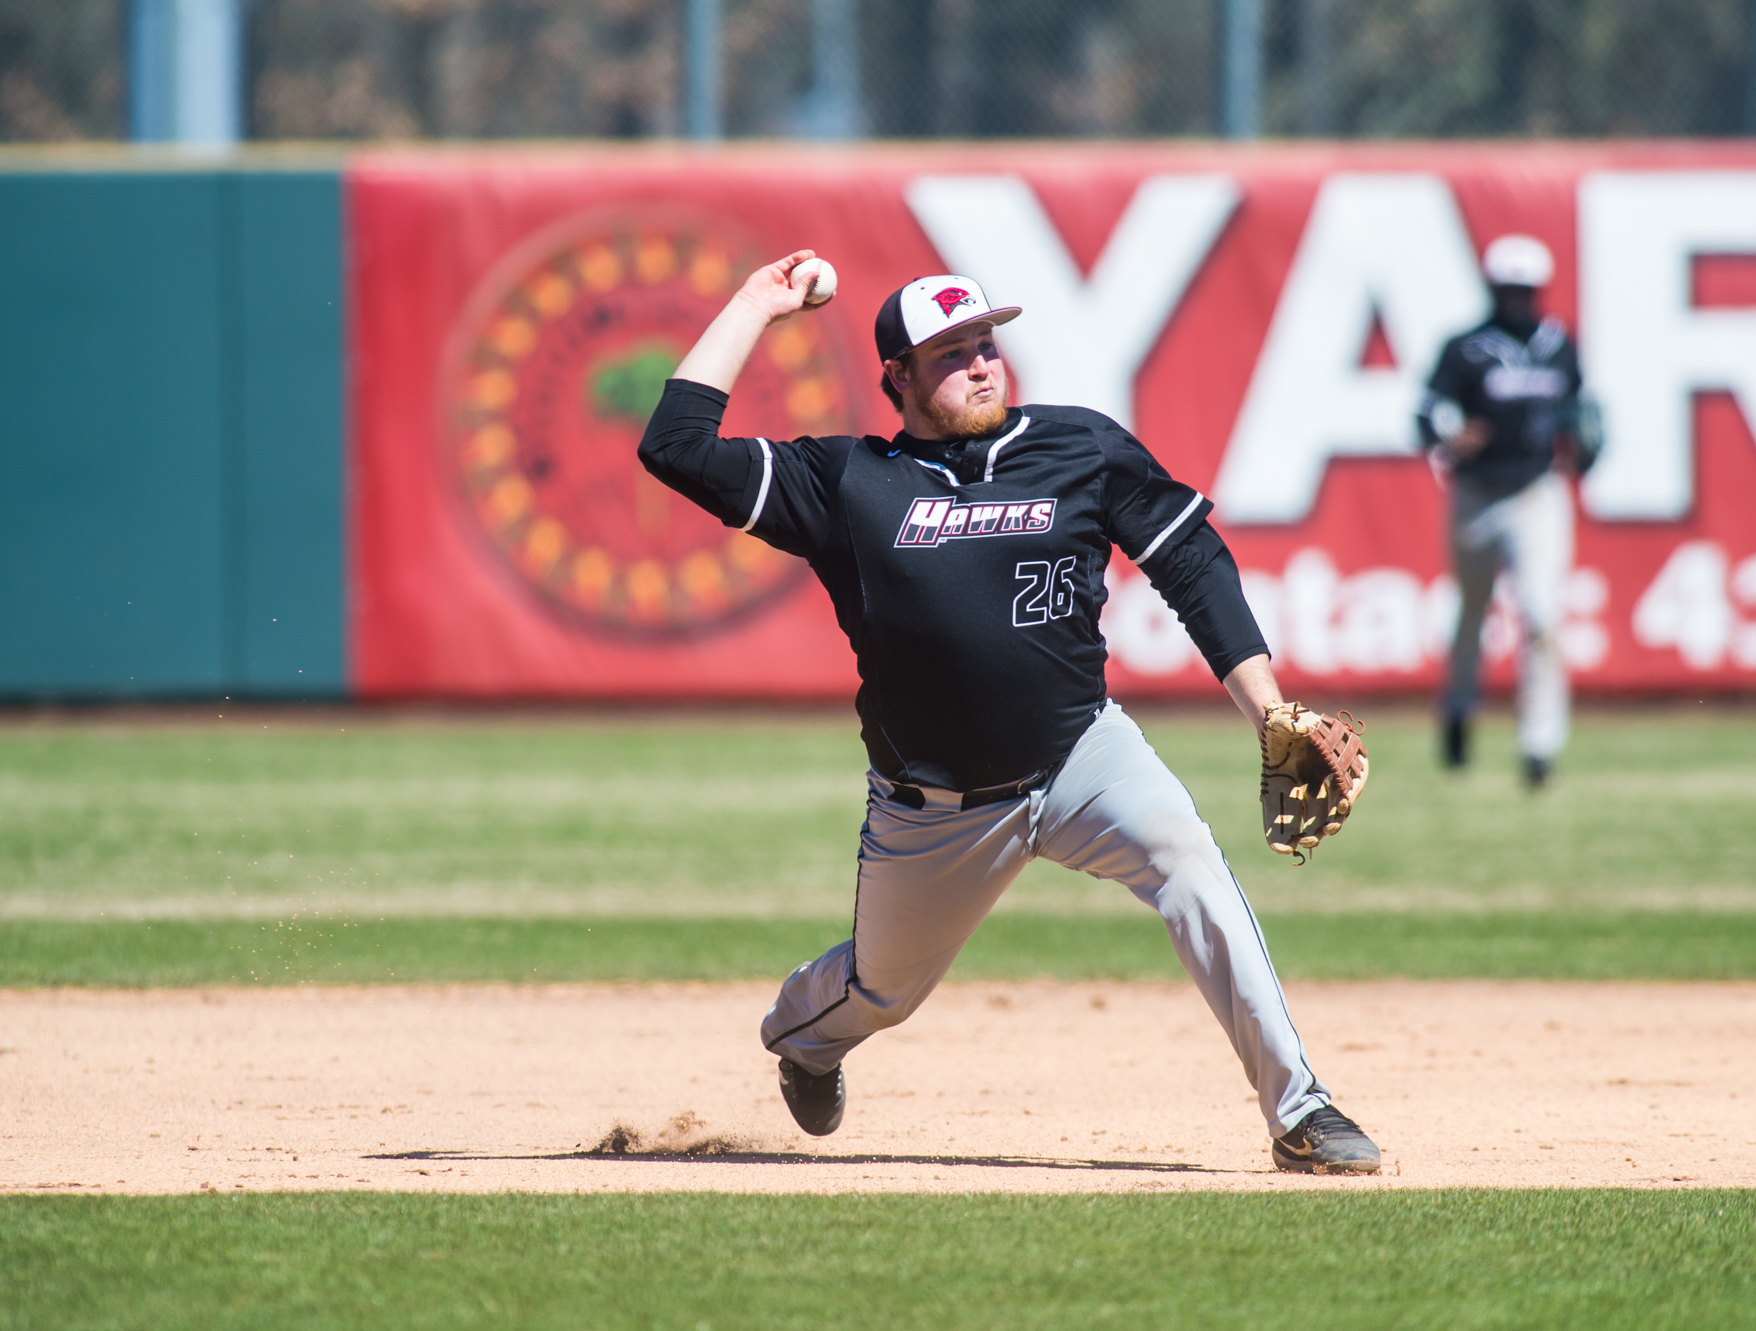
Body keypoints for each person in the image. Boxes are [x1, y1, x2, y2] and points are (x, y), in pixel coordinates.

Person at [638, 253, 1381, 1175]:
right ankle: (804, 1039)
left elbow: (1190, 563)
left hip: (1082, 752)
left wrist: (1268, 711)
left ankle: (1300, 1109)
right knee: (881, 991)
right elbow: (674, 448)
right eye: (950, 352)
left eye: (986, 341)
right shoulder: (845, 483)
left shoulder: (1081, 448)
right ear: (897, 379)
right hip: (936, 804)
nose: (981, 362)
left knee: (1191, 861)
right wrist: (756, 304)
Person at [1416, 234, 1598, 788]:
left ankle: (1539, 743)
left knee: (1542, 617)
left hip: (1536, 491)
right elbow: (1427, 413)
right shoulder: (1466, 347)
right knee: (1473, 611)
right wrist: (1452, 435)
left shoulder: (1558, 344)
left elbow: (1581, 411)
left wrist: (1585, 449)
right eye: (1508, 289)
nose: (1518, 300)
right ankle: (1458, 710)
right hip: (1476, 493)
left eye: (1526, 289)